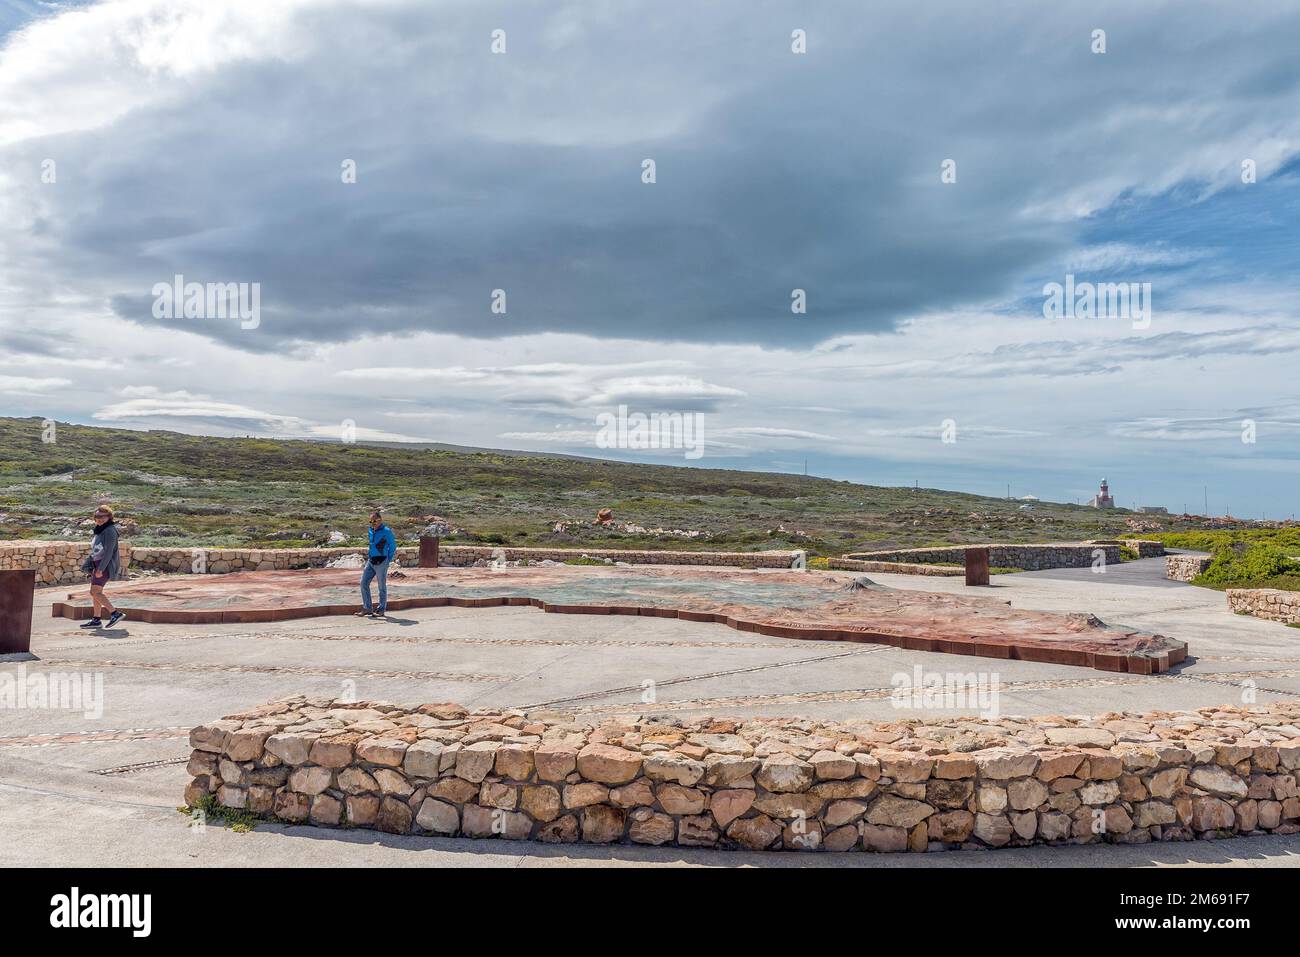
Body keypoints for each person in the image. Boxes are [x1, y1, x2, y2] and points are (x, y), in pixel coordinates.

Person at [80, 505, 124, 629]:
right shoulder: (100, 529)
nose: (98, 519)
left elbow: (109, 551)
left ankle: (115, 613)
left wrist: (100, 569)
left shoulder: (110, 530)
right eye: (97, 516)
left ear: (109, 517)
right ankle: (96, 619)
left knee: (94, 592)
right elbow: (96, 549)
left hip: (104, 565)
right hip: (97, 564)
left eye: (102, 517)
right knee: (96, 592)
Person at [357, 510, 396, 618]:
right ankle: (367, 608)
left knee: (381, 587)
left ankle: (381, 609)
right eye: (370, 521)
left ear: (380, 520)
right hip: (371, 561)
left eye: (374, 521)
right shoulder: (370, 530)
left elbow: (392, 546)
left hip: (381, 562)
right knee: (363, 583)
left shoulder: (386, 531)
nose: (372, 523)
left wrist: (388, 560)